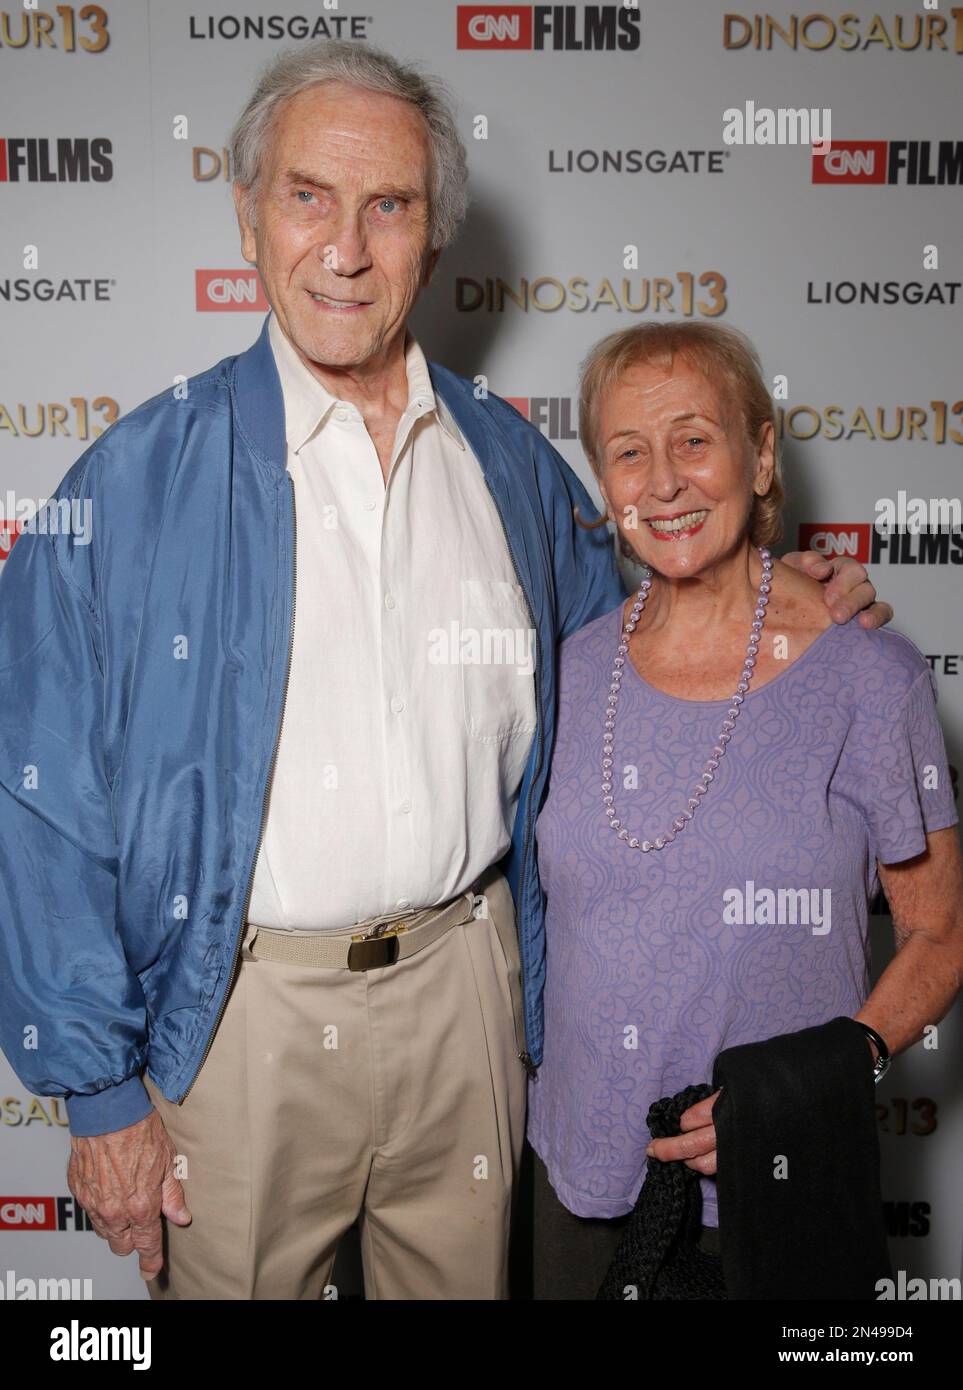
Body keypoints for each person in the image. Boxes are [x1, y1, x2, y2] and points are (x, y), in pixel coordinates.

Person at [0, 41, 887, 1302]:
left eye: (389, 206)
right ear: (247, 214)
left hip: (472, 992)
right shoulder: (132, 484)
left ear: (433, 235)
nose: (346, 247)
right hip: (237, 1021)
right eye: (308, 196)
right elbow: (33, 802)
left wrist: (784, 598)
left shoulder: (513, 467)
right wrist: (97, 1095)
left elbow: (642, 665)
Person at [527, 320, 963, 1300]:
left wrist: (807, 1091)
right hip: (577, 1185)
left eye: (694, 438)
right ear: (605, 485)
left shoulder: (870, 676)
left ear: (761, 454)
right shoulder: (570, 668)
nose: (664, 481)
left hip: (779, 1193)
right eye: (628, 452)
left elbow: (941, 928)